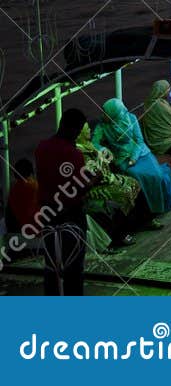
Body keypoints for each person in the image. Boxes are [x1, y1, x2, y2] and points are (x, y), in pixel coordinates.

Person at [35, 110, 91, 295]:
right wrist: (93, 179)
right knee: (73, 269)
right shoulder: (74, 154)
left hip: (48, 216)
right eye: (78, 130)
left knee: (51, 266)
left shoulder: (41, 148)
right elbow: (80, 188)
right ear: (73, 128)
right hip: (71, 216)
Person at [94, 99, 171, 216]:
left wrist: (134, 157)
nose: (103, 115)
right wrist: (103, 149)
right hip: (122, 159)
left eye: (105, 112)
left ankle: (160, 206)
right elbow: (94, 143)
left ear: (115, 113)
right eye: (103, 112)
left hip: (142, 154)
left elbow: (139, 140)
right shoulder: (102, 127)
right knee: (137, 176)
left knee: (156, 175)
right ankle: (148, 213)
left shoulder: (131, 118)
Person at [5, 158, 40, 233]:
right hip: (38, 232)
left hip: (19, 232)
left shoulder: (14, 190)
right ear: (32, 173)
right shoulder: (36, 186)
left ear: (15, 175)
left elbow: (9, 217)